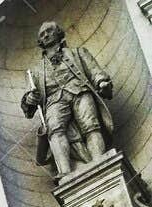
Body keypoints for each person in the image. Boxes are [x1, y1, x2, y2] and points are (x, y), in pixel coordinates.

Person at [22, 22, 115, 180]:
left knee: (90, 125)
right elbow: (28, 99)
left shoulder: (78, 53)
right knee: (54, 130)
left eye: (49, 31)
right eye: (42, 34)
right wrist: (29, 99)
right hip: (54, 101)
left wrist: (101, 82)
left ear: (58, 32)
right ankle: (65, 171)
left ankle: (99, 160)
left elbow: (93, 70)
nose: (45, 35)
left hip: (80, 91)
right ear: (40, 42)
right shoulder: (35, 71)